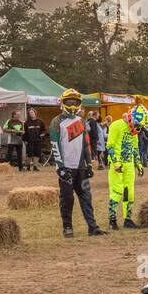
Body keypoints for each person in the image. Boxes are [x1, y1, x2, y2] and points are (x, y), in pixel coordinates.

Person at [49, 89, 105, 238]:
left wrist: (88, 164)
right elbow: (55, 145)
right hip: (66, 167)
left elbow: (86, 144)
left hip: (80, 167)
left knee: (86, 197)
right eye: (69, 102)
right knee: (67, 198)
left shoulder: (82, 121)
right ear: (63, 103)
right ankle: (67, 227)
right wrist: (60, 167)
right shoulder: (56, 121)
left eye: (75, 102)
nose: (72, 105)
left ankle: (93, 227)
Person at [106, 105, 148, 229]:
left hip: (129, 164)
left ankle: (127, 219)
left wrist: (138, 163)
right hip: (116, 164)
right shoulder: (116, 125)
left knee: (129, 193)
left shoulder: (134, 129)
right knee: (117, 191)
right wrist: (116, 162)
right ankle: (112, 220)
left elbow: (135, 148)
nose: (137, 129)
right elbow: (110, 145)